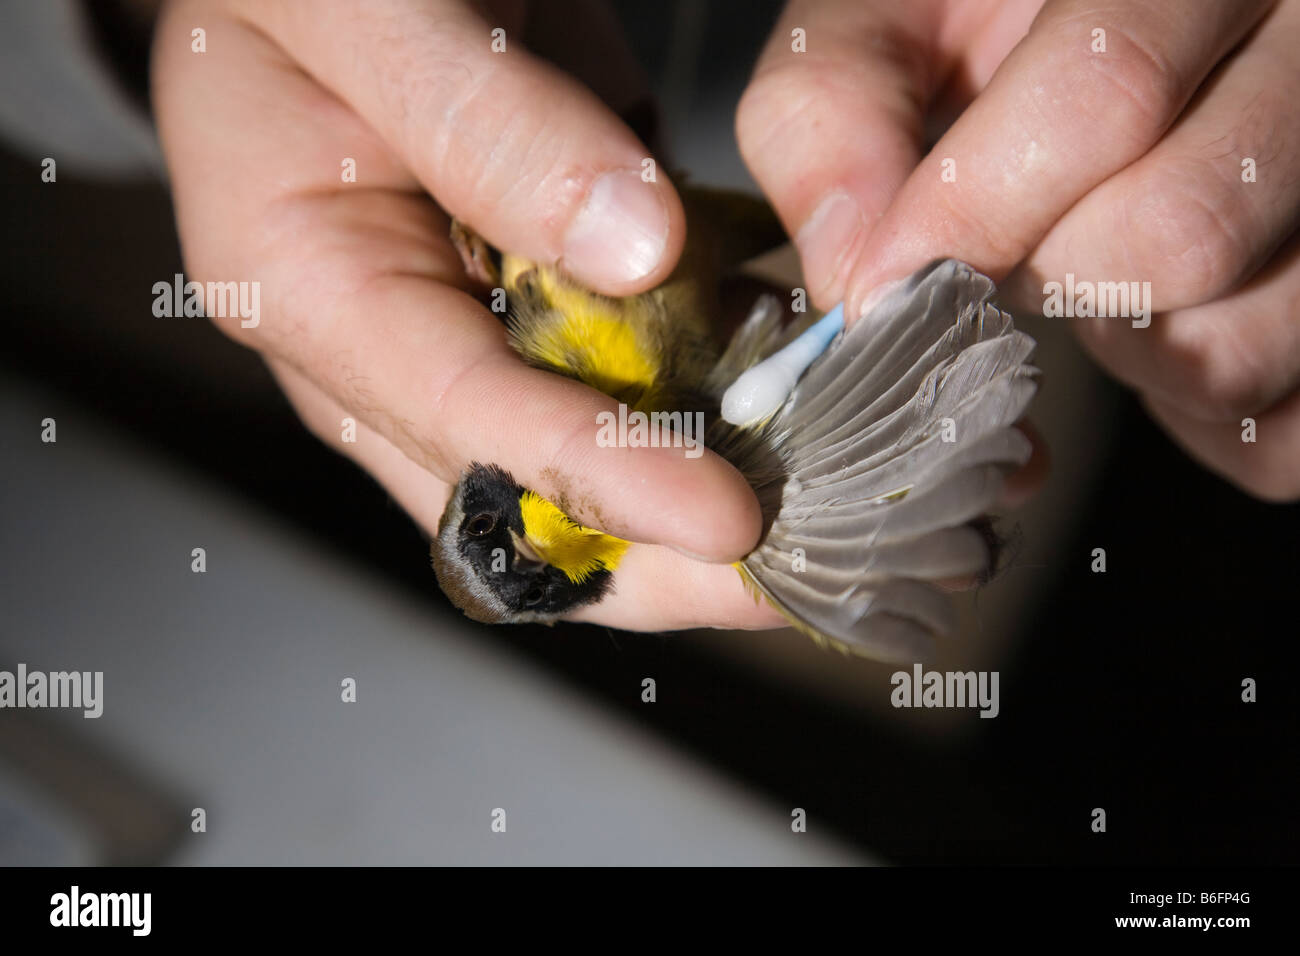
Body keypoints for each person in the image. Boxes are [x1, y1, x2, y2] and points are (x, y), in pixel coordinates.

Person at [19, 0, 1300, 632]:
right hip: (879, 158)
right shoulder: (686, 473)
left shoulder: (529, 318)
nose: (563, 508)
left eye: (514, 523)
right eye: (554, 561)